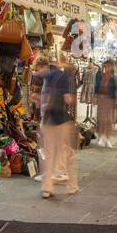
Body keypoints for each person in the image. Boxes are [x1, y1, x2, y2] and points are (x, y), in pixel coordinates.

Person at [39, 58, 78, 198]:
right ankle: (72, 185)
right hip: (61, 120)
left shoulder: (46, 76)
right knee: (67, 153)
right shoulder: (64, 77)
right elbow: (68, 99)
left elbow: (42, 100)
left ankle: (47, 188)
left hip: (47, 120)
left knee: (49, 155)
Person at [92, 60, 117, 148]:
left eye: (108, 66)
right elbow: (96, 87)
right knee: (100, 118)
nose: (106, 68)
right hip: (101, 98)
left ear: (111, 67)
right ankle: (100, 137)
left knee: (109, 120)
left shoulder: (113, 77)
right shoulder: (99, 76)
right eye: (105, 66)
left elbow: (116, 90)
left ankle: (108, 138)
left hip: (110, 99)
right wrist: (95, 97)